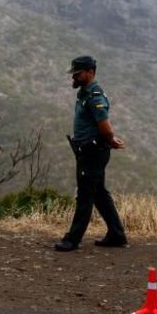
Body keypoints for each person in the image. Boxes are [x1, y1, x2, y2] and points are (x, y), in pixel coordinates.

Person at [54, 55, 128, 252]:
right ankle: (117, 234)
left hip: (93, 152)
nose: (74, 77)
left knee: (85, 195)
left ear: (90, 72)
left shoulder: (95, 97)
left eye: (77, 74)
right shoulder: (84, 93)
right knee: (99, 194)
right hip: (88, 151)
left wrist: (111, 139)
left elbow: (105, 127)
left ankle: (72, 239)